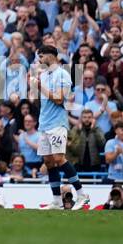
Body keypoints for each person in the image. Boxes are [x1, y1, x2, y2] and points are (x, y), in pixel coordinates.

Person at [37, 44, 90, 208]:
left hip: (57, 123)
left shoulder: (63, 75)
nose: (39, 60)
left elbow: (59, 99)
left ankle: (82, 194)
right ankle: (57, 200)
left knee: (59, 158)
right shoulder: (44, 75)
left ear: (51, 56)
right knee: (49, 162)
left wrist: (40, 87)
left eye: (41, 56)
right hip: (44, 123)